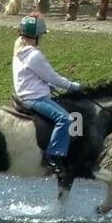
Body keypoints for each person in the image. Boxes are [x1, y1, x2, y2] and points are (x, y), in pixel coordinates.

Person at [12, 15, 83, 175]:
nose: (42, 38)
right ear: (36, 36)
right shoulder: (34, 55)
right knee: (65, 119)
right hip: (34, 98)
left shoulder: (19, 52)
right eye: (41, 35)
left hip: (28, 93)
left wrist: (47, 85)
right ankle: (53, 155)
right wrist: (72, 86)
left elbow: (32, 76)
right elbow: (53, 76)